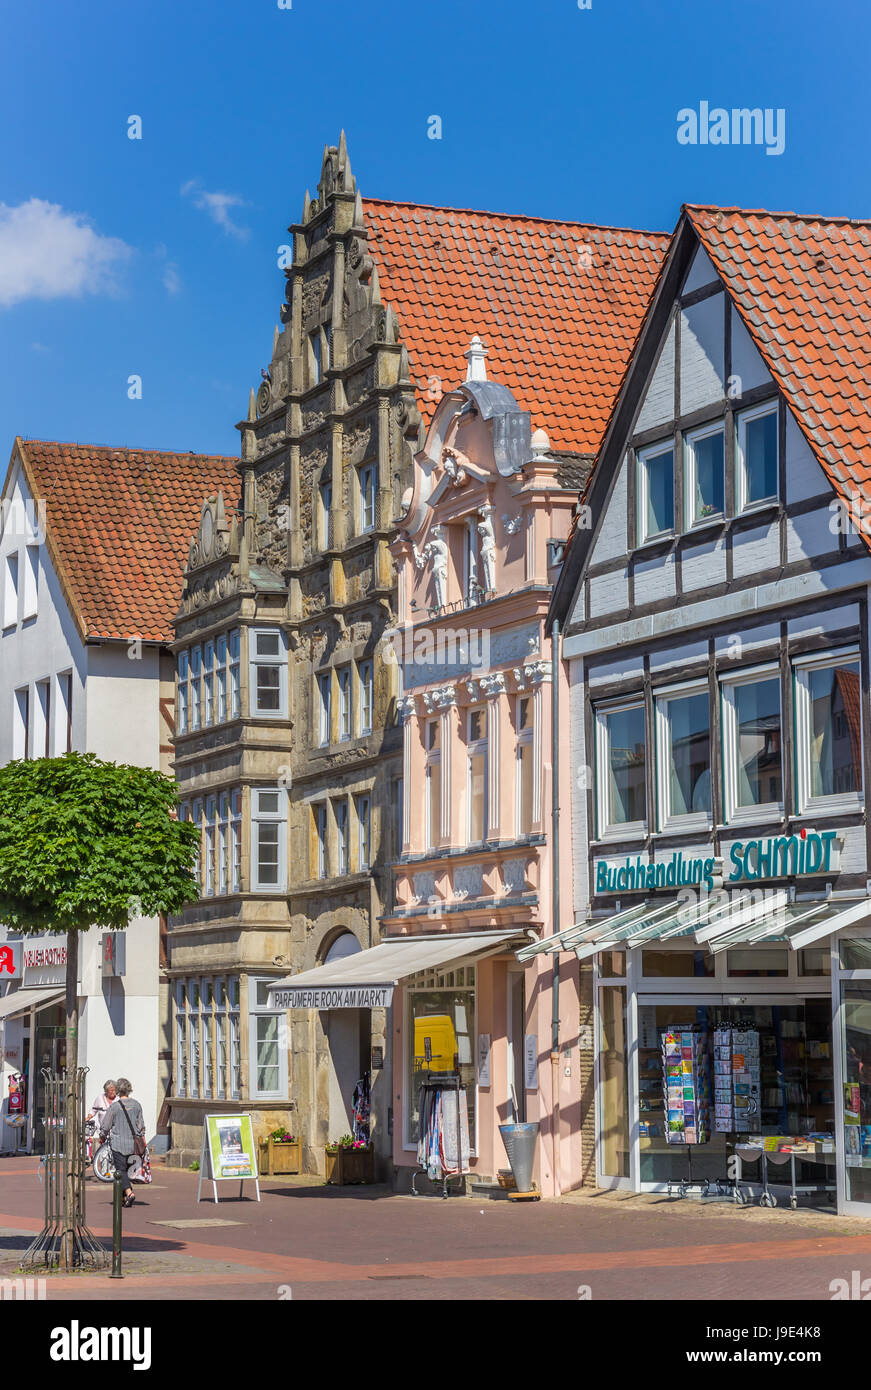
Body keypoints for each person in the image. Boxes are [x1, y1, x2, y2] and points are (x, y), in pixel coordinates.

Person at [99, 1077, 146, 1207]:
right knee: (127, 1172)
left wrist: (102, 1136)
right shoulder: (137, 1105)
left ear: (118, 1091)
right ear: (129, 1089)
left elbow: (105, 1126)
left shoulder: (114, 1107)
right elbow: (141, 1126)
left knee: (120, 1171)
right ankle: (123, 1199)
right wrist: (143, 1140)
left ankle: (129, 1193)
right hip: (133, 1145)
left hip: (118, 1143)